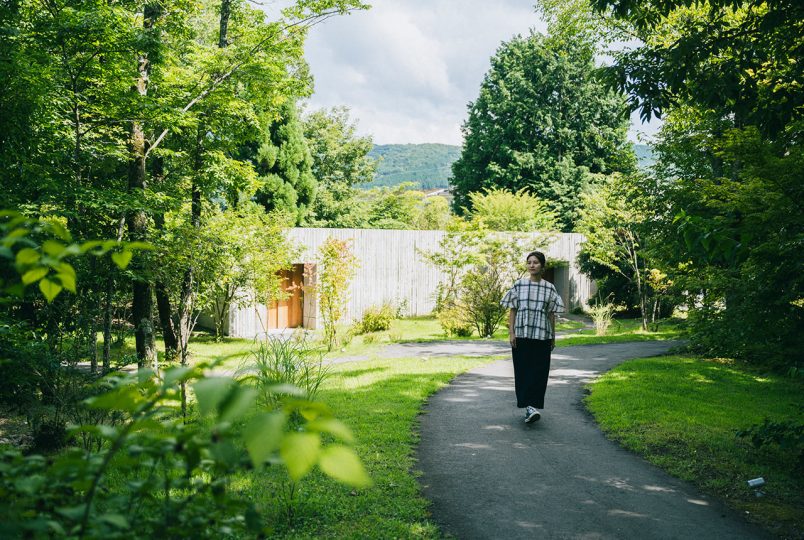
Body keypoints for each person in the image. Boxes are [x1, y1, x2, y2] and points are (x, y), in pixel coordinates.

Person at [500, 251, 564, 424]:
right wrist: (511, 332)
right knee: (522, 371)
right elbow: (512, 309)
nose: (532, 265)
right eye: (529, 262)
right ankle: (529, 407)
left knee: (539, 372)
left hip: (542, 335)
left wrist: (553, 336)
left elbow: (551, 314)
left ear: (542, 266)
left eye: (535, 262)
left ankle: (533, 406)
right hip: (521, 335)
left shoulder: (549, 288)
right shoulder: (519, 285)